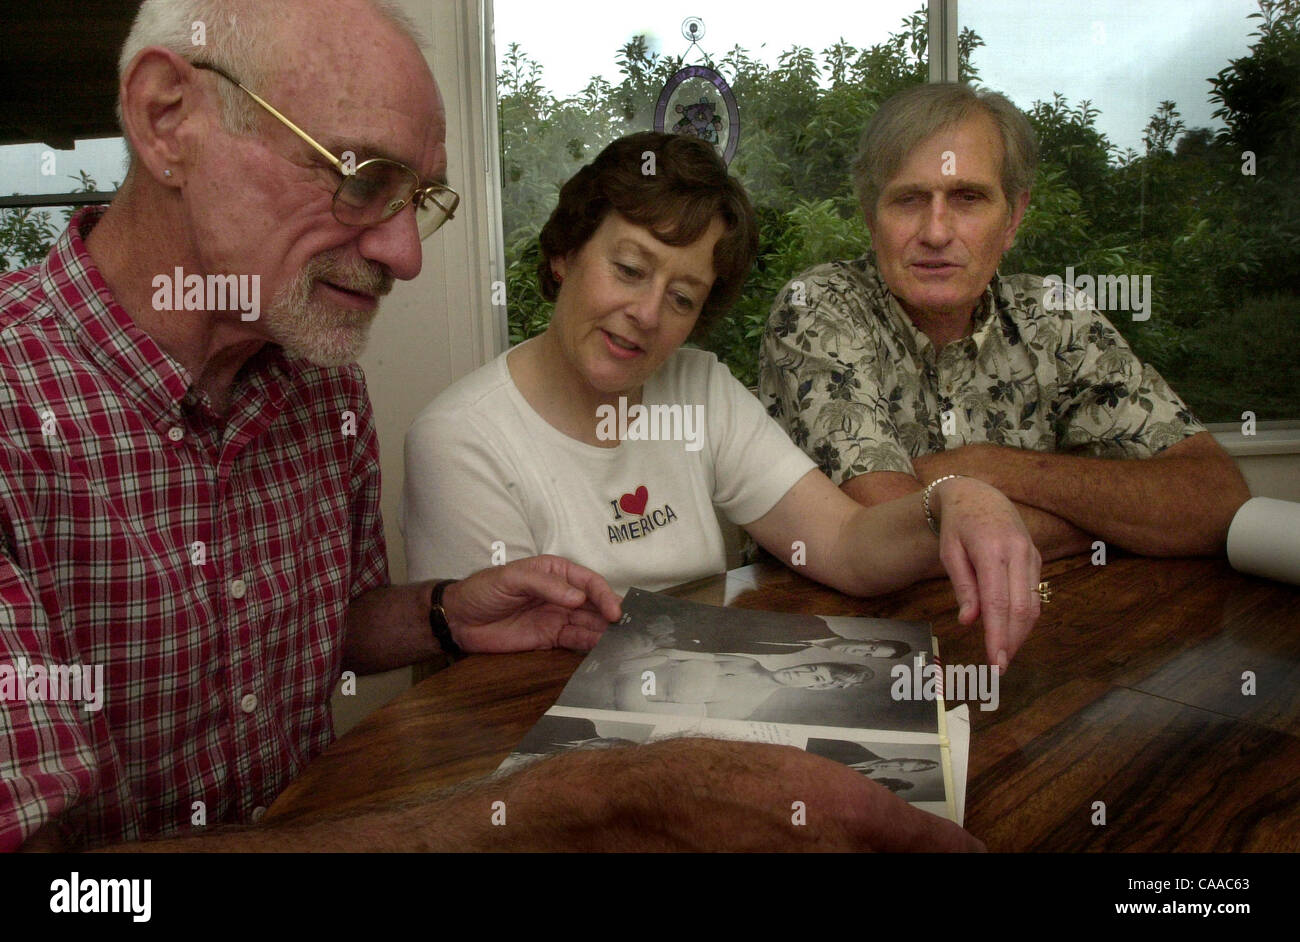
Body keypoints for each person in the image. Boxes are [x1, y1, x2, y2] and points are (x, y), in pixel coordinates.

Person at [0, 0, 982, 854]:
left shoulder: (315, 384)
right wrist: (586, 809)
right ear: (168, 118)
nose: (403, 253)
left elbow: (316, 632)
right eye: (358, 177)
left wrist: (437, 613)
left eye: (417, 199)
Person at [403, 131, 1043, 677]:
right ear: (565, 253)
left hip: (699, 698)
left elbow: (845, 545)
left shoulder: (699, 388)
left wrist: (952, 500)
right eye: (629, 269)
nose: (648, 314)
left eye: (683, 297)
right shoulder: (461, 439)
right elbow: (501, 691)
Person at [760, 83, 1251, 563]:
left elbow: (1213, 500)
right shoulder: (819, 307)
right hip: (847, 636)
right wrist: (1109, 518)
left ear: (1013, 218)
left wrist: (984, 467)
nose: (936, 231)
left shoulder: (1056, 317)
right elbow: (894, 535)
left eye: (968, 197)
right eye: (908, 199)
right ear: (871, 217)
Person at [607, 653, 871, 720]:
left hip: (617, 700)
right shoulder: (748, 662)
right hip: (619, 666)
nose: (800, 672)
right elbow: (672, 654)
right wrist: (629, 665)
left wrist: (625, 688)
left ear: (814, 689)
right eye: (812, 668)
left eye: (814, 679)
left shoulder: (745, 706)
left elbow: (655, 715)